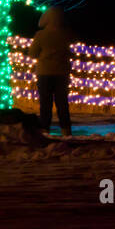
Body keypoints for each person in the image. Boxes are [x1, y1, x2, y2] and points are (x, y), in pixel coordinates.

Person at [27, 8, 74, 137]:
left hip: (45, 72)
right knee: (62, 103)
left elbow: (32, 53)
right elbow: (70, 51)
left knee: (45, 103)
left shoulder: (41, 35)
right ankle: (66, 130)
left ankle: (45, 129)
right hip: (62, 72)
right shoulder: (66, 34)